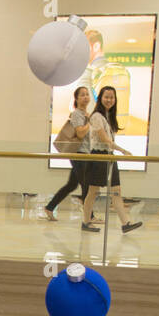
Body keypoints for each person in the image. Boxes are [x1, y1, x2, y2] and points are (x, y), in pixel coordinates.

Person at [80, 87, 143, 234]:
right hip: (99, 156)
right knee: (93, 192)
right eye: (106, 97)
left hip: (109, 157)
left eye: (112, 97)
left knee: (116, 191)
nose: (109, 100)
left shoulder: (109, 117)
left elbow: (108, 140)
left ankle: (126, 223)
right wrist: (122, 151)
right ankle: (86, 222)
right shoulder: (96, 116)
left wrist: (117, 152)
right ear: (100, 98)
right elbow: (104, 139)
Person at [45, 86, 91, 221]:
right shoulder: (77, 113)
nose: (85, 97)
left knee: (72, 184)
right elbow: (80, 133)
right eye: (82, 95)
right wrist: (89, 122)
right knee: (86, 185)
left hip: (84, 153)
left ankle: (49, 207)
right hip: (78, 153)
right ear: (76, 99)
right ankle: (90, 216)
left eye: (87, 94)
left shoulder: (85, 114)